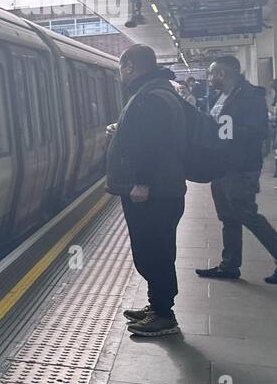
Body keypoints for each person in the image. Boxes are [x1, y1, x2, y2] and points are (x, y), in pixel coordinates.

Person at [107, 45, 187, 337]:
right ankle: (157, 305)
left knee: (153, 250)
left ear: (129, 66)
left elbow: (151, 146)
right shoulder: (158, 91)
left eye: (121, 68)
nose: (121, 75)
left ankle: (164, 315)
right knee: (157, 248)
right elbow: (149, 136)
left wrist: (142, 183)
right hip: (164, 189)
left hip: (154, 192)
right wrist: (122, 130)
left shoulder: (150, 97)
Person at [194, 55, 277, 284]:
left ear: (222, 73)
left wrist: (226, 129)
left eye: (212, 73)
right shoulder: (221, 96)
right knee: (228, 218)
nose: (210, 78)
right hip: (221, 167)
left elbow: (260, 131)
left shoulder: (250, 96)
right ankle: (229, 265)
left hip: (240, 168)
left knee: (247, 215)